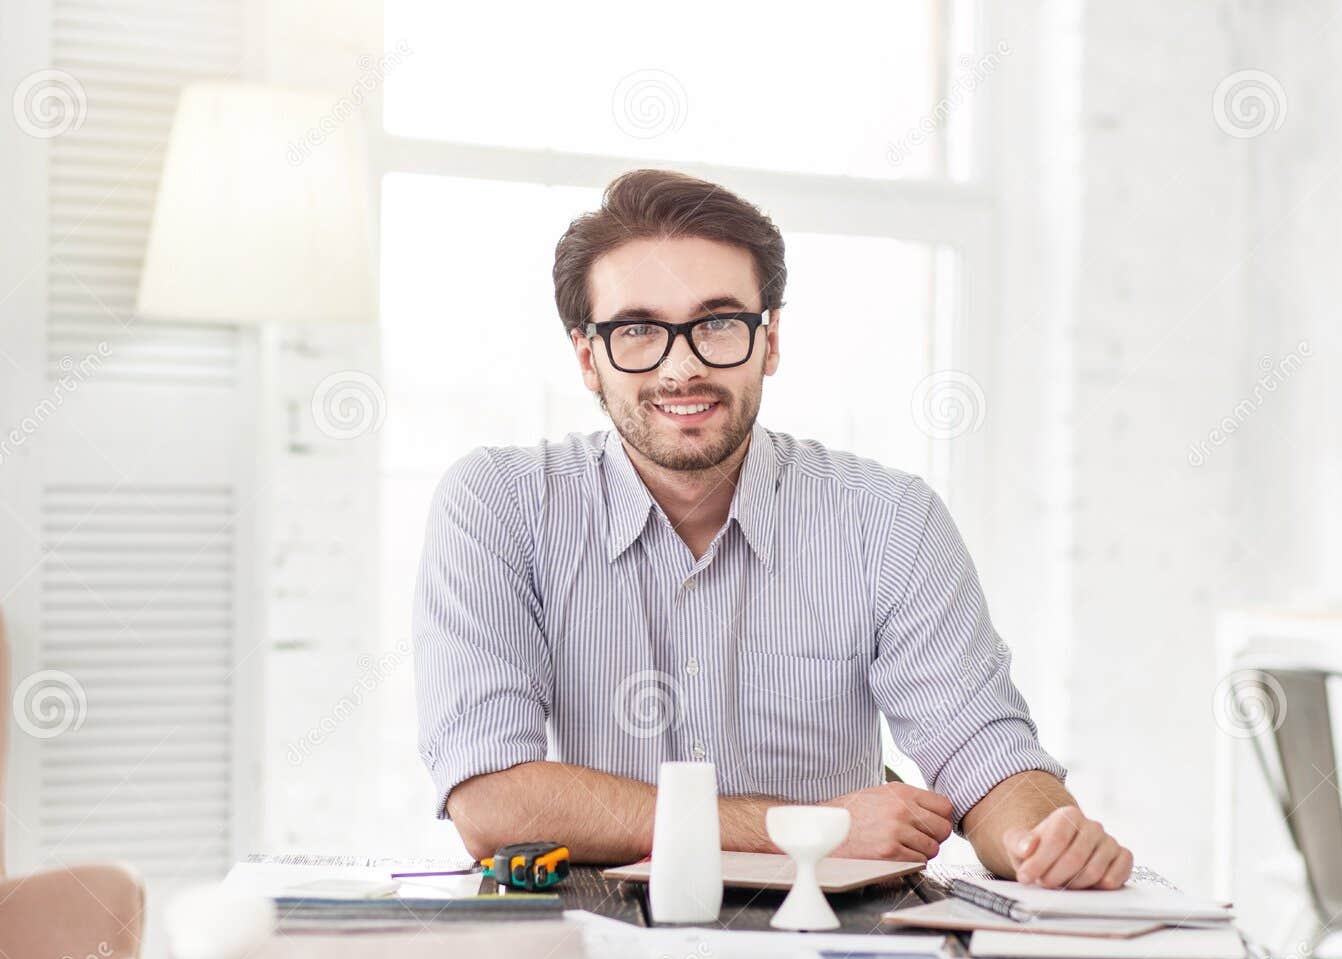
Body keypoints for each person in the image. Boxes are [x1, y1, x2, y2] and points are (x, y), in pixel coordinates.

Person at [413, 169, 1132, 889]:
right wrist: (808, 826)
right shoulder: (499, 506)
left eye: (718, 322)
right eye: (637, 330)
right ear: (587, 358)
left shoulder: (887, 519)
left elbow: (985, 753)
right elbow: (491, 798)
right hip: (598, 937)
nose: (682, 366)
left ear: (771, 339)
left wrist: (1045, 839)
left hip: (844, 947)